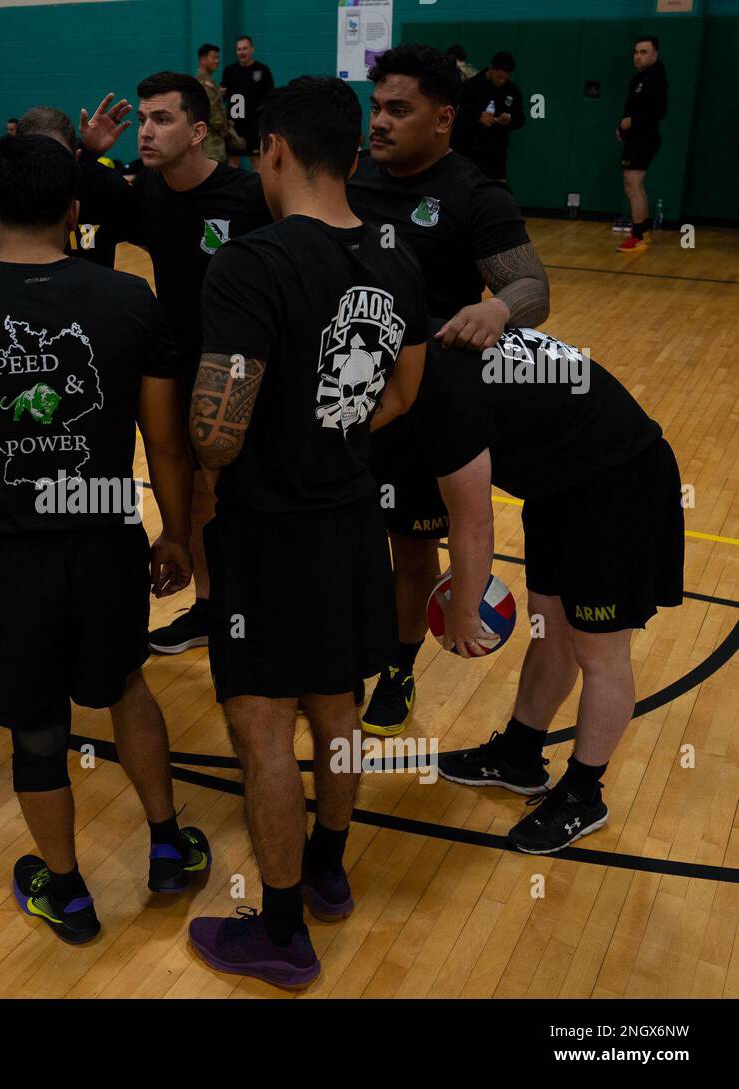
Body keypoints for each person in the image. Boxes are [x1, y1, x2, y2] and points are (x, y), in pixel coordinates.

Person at [0, 134, 210, 944]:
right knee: (127, 684)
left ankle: (65, 890)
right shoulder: (130, 300)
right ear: (74, 212)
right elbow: (169, 444)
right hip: (106, 536)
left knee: (37, 722)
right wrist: (174, 533)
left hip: (5, 550)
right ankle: (168, 846)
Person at [184, 77, 427, 989]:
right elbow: (402, 390)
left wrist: (199, 460)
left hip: (268, 532)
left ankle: (282, 932)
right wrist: (339, 429)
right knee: (338, 707)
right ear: (355, 157)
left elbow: (217, 430)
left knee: (260, 727)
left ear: (273, 151)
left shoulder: (250, 263)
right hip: (350, 517)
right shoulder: (396, 260)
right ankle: (328, 865)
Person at [347, 43, 550, 737]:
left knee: (409, 549)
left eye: (398, 110)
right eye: (376, 107)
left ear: (443, 118)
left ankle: (398, 668)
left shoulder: (473, 193)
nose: (379, 122)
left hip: (424, 404)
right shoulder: (348, 178)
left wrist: (499, 308)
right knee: (342, 539)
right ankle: (342, 653)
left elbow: (532, 286)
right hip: (342, 394)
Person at [415, 328, 682, 853]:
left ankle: (584, 795)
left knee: (600, 653)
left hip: (619, 485)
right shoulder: (440, 351)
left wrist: (465, 612)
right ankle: (519, 753)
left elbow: (474, 525)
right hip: (560, 485)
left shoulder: (445, 395)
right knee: (549, 628)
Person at [77, 74, 271, 656]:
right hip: (179, 365)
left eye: (162, 118)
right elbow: (72, 199)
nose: (148, 130)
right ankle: (212, 608)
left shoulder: (249, 196)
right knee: (192, 493)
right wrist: (90, 153)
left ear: (199, 132)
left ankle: (258, 609)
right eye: (144, 118)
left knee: (246, 493)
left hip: (247, 369)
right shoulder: (147, 195)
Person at [15, 105, 128, 268]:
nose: (46, 169)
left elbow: (150, 235)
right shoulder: (1, 193)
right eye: (35, 157)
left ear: (76, 157)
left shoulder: (106, 188)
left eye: (57, 158)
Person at [616, 36, 668, 255]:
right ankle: (642, 231)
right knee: (632, 185)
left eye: (644, 52)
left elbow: (658, 112)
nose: (638, 56)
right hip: (636, 137)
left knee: (633, 184)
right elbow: (632, 110)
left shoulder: (656, 79)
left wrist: (632, 122)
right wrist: (622, 128)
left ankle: (637, 236)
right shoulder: (638, 79)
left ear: (654, 55)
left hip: (645, 138)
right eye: (636, 52)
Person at [452, 51, 525, 182]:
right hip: (470, 153)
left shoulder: (512, 91)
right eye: (499, 77)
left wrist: (509, 120)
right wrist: (477, 117)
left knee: (495, 195)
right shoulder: (471, 86)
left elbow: (520, 120)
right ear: (491, 68)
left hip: (496, 157)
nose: (502, 81)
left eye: (505, 78)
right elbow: (457, 115)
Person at [222, 35, 274, 170]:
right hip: (234, 125)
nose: (242, 52)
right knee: (233, 163)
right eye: (239, 49)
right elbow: (223, 96)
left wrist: (265, 122)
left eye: (245, 48)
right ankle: (233, 191)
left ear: (252, 50)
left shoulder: (262, 70)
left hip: (254, 125)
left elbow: (270, 98)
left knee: (257, 162)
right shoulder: (230, 71)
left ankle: (258, 190)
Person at [195, 44, 240, 164]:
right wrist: (228, 131)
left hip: (212, 141)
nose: (217, 61)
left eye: (218, 58)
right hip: (211, 142)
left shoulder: (208, 82)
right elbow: (213, 116)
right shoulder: (204, 83)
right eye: (213, 57)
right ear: (203, 60)